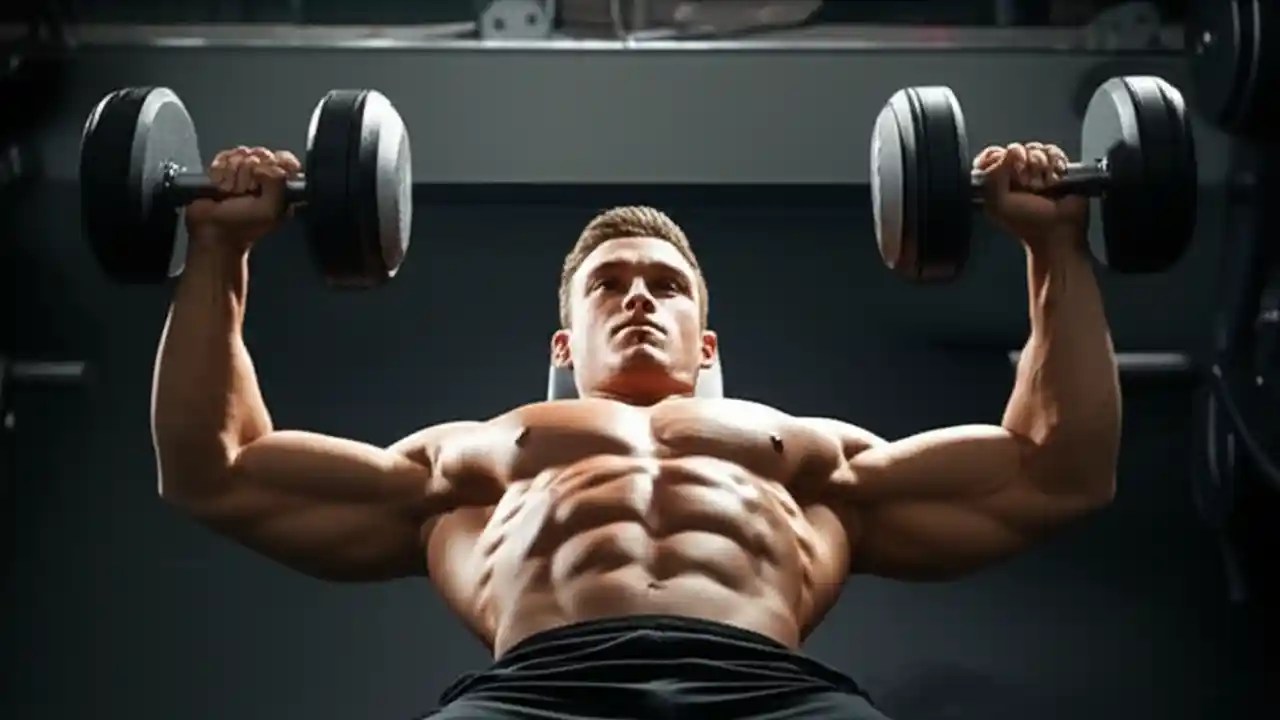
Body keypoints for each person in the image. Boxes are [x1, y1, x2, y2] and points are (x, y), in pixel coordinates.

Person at [151, 141, 1119, 719]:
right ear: (563, 342)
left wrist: (1052, 245)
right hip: (536, 692)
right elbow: (217, 469)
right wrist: (216, 249)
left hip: (766, 693)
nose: (639, 296)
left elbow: (1056, 471)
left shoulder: (809, 455)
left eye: (664, 284)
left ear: (706, 340)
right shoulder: (477, 455)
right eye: (609, 284)